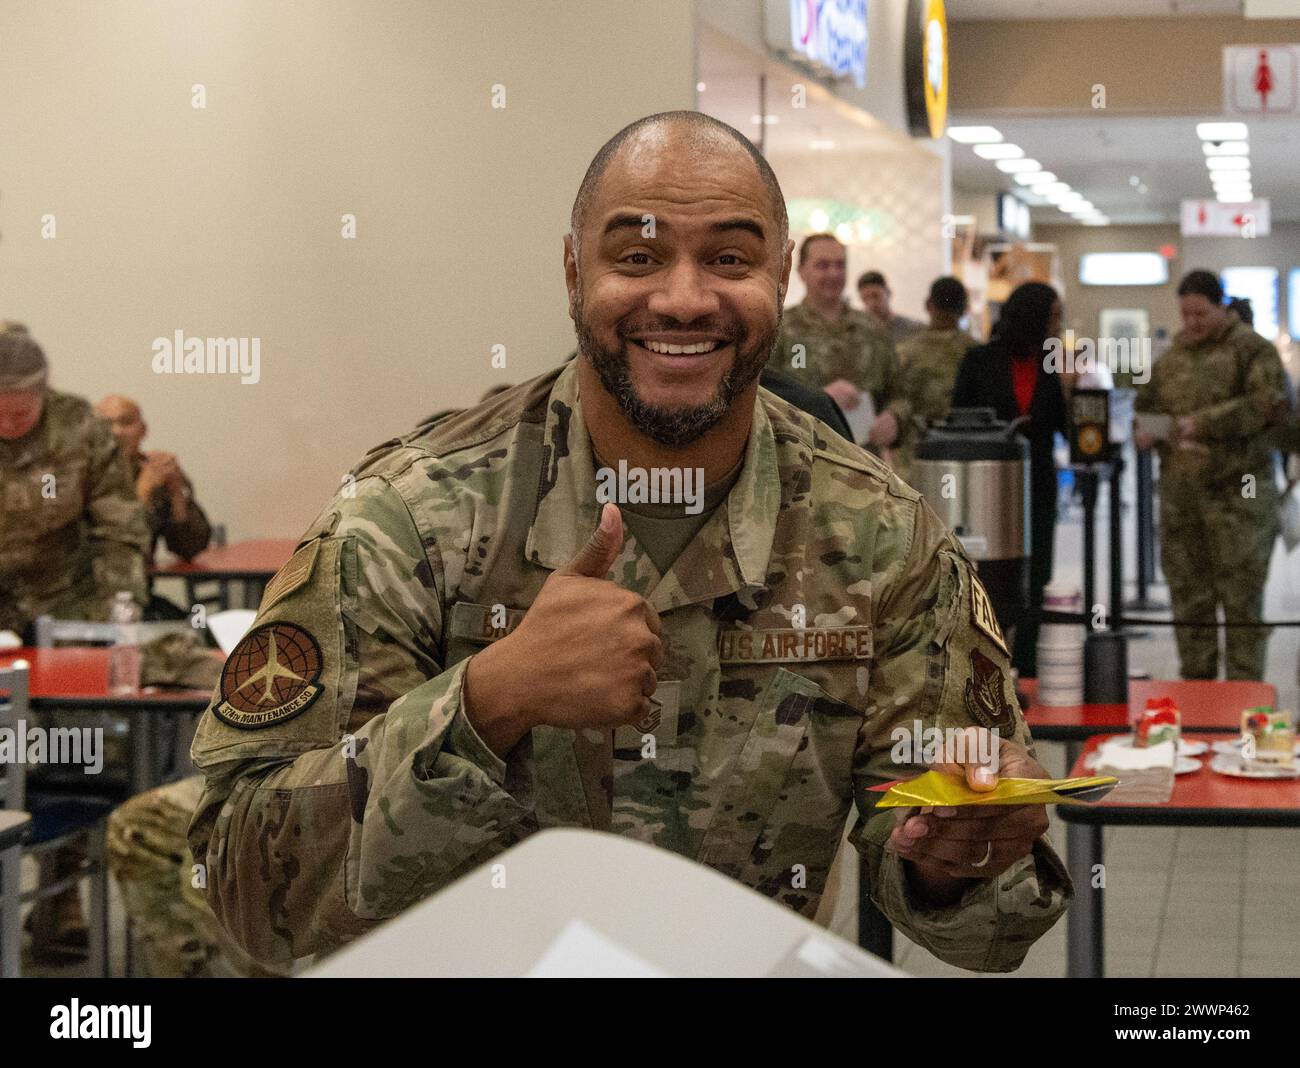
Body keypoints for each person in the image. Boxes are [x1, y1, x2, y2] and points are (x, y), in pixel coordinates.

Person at [188, 111, 1070, 971]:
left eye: (729, 258)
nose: (684, 299)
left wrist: (960, 853)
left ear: (783, 276)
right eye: (636, 257)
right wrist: (486, 702)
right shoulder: (412, 517)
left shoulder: (881, 535)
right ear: (573, 272)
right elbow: (241, 890)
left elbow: (985, 932)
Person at [0, 326, 150, 959]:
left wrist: (112, 619)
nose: (12, 418)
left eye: (22, 407)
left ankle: (58, 899)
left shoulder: (79, 428)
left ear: (43, 392)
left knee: (76, 747)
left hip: (67, 609)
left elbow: (118, 527)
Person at [1135, 270, 1288, 680]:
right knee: (1189, 606)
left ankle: (1243, 710)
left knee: (1241, 607)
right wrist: (1146, 431)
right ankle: (1199, 704)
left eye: (1201, 313)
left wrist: (1199, 424)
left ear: (1222, 306)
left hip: (1240, 500)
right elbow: (1145, 408)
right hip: (1183, 502)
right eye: (1186, 314)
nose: (1193, 323)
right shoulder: (1171, 359)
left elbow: (1266, 404)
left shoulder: (1253, 351)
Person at [952, 283, 1068, 678]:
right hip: (988, 488)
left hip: (1038, 488)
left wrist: (1075, 389)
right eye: (1054, 316)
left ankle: (1029, 669)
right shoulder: (980, 360)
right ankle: (982, 670)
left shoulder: (1051, 364)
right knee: (989, 579)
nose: (1059, 324)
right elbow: (959, 421)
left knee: (1037, 580)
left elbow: (1067, 429)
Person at [768, 236, 906, 456]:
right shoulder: (779, 329)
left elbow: (901, 394)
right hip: (801, 463)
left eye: (840, 265)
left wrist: (894, 418)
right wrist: (819, 398)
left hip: (866, 466)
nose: (833, 273)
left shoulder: (872, 328)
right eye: (823, 265)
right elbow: (762, 397)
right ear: (801, 271)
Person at [94, 395, 212, 566]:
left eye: (126, 422)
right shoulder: (80, 475)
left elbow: (190, 548)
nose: (117, 431)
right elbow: (113, 551)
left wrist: (176, 493)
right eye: (107, 424)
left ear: (143, 430)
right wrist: (143, 490)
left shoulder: (150, 470)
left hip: (141, 588)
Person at [893, 276, 979, 483]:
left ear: (928, 304)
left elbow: (893, 404)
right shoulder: (977, 353)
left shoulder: (904, 353)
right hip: (967, 458)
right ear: (965, 308)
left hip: (915, 460)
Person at [858, 270, 925, 345]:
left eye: (876, 296)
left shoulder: (913, 330)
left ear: (888, 293)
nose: (871, 304)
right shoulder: (858, 334)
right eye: (865, 298)